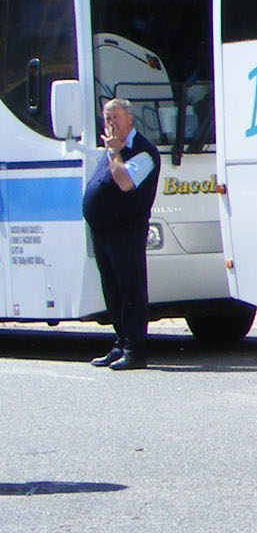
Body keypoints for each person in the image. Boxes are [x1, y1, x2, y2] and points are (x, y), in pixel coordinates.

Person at [85, 97, 161, 371]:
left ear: (130, 119)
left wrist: (115, 153)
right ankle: (119, 344)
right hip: (104, 231)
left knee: (131, 290)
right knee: (113, 291)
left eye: (115, 117)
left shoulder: (143, 152)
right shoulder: (111, 149)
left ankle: (135, 350)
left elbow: (125, 182)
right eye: (107, 118)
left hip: (126, 230)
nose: (111, 123)